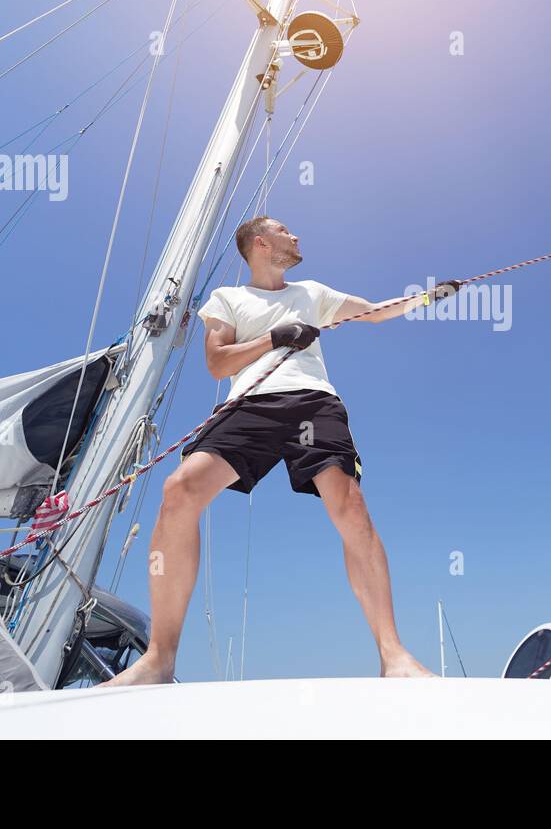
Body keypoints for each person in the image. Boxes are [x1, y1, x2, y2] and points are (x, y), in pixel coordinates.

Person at [101, 216, 459, 685]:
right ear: (261, 243)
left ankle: (393, 656)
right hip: (248, 405)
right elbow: (216, 363)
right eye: (287, 230)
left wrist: (430, 296)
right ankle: (159, 661)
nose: (297, 236)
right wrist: (276, 336)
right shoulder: (227, 300)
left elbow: (374, 311)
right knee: (179, 490)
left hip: (313, 401)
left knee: (349, 507)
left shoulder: (312, 292)